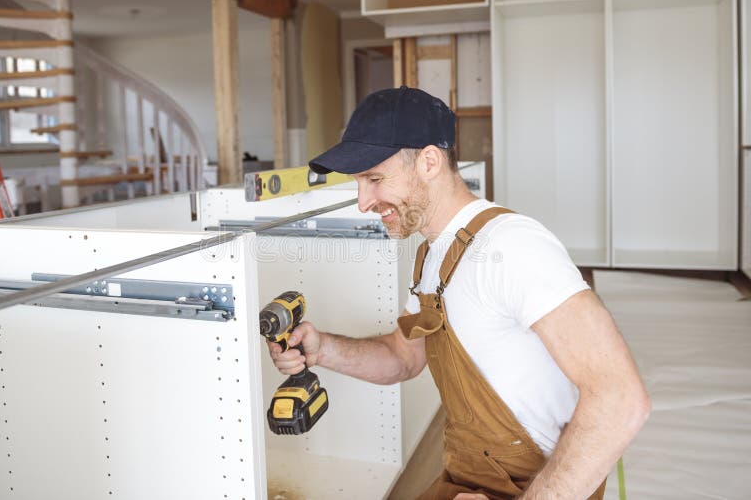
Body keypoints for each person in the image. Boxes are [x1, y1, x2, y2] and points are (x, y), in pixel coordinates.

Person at [268, 86, 651, 500]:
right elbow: (402, 358)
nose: (363, 202)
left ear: (429, 161)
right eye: (359, 182)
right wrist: (322, 349)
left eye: (374, 179)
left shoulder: (511, 246)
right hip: (468, 478)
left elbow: (621, 399)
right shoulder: (432, 256)